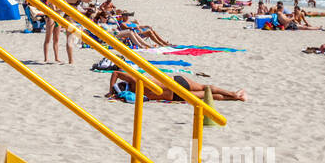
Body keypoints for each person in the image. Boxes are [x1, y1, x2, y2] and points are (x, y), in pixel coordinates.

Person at [104, 69, 245, 102]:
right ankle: (233, 94)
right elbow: (116, 72)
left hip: (174, 95)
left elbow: (124, 98)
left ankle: (235, 98)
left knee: (208, 96)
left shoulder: (135, 96)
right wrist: (111, 89)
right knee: (204, 87)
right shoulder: (134, 81)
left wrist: (113, 94)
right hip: (175, 82)